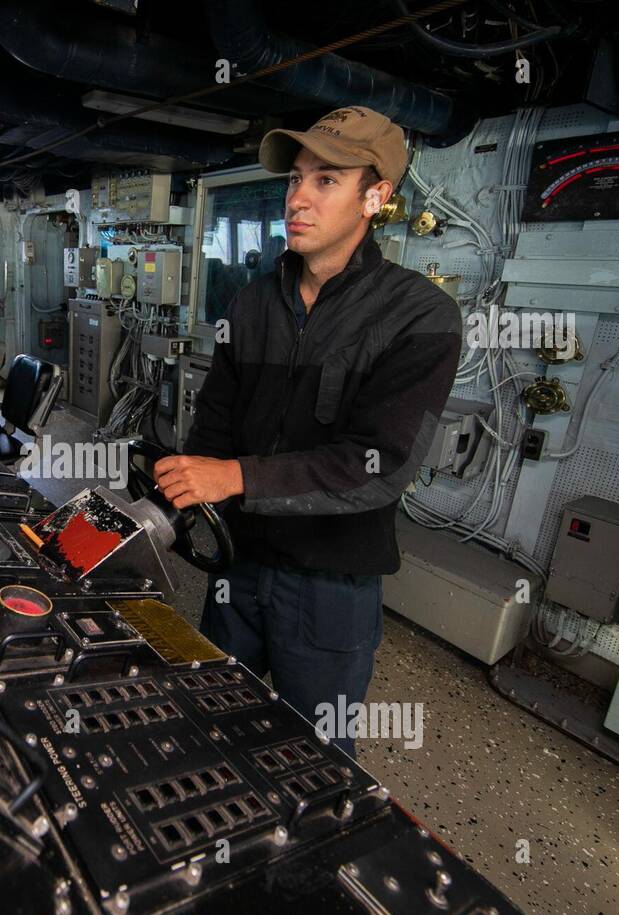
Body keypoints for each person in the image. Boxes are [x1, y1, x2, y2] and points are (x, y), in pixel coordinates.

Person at [153, 106, 463, 758]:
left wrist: (235, 476)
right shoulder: (253, 301)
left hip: (329, 588)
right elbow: (215, 418)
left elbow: (380, 464)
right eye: (295, 179)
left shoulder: (419, 316)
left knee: (312, 755)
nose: (297, 198)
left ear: (375, 197)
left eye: (326, 181)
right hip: (239, 563)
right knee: (210, 720)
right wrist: (181, 497)